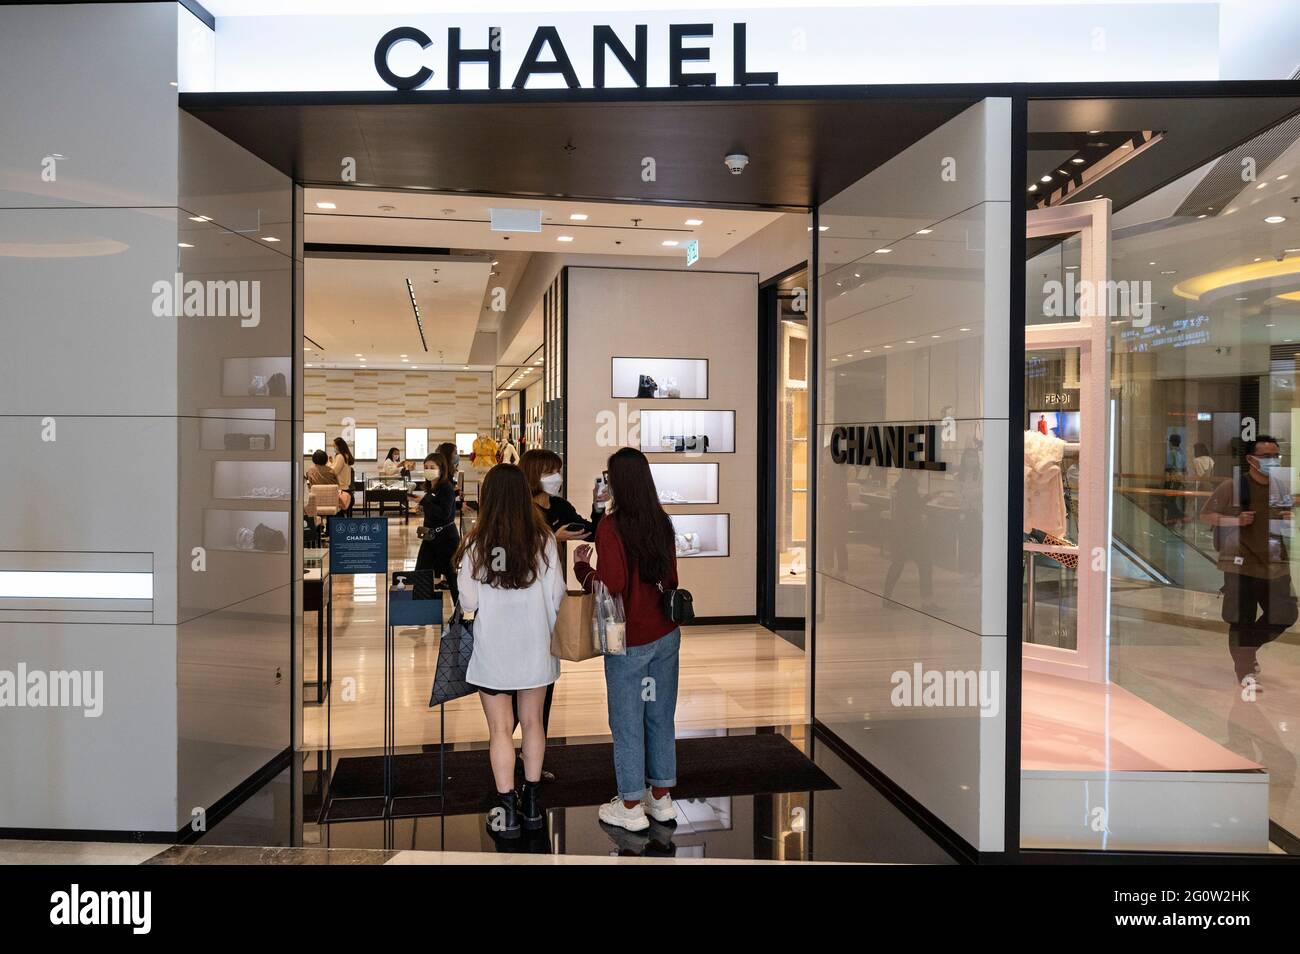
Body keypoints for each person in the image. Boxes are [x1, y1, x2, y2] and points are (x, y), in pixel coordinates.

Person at [574, 447, 681, 832]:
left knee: (627, 721)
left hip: (629, 640)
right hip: (665, 635)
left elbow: (613, 584)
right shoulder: (661, 522)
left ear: (617, 482)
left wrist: (583, 568)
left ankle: (631, 803)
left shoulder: (611, 527)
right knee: (659, 715)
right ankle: (662, 798)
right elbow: (672, 581)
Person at [456, 463, 565, 836]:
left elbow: (468, 601)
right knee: (533, 722)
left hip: (494, 648)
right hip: (536, 644)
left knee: (500, 729)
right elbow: (557, 595)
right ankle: (533, 806)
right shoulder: (544, 538)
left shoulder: (476, 542)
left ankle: (506, 812)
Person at [1200, 435, 1298, 689]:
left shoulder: (1279, 487)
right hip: (1240, 564)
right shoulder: (1232, 487)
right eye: (1266, 456)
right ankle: (1245, 673)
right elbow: (1206, 515)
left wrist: (1288, 519)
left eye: (1275, 456)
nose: (1272, 461)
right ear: (1251, 459)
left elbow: (1284, 525)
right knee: (1241, 617)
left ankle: (1246, 649)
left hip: (1274, 564)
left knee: (1286, 613)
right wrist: (1236, 521)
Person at [415, 451, 460, 604]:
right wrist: (423, 505)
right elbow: (433, 510)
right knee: (421, 571)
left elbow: (444, 514)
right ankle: (423, 607)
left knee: (451, 576)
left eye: (432, 467)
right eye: (426, 467)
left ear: (441, 468)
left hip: (446, 540)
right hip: (430, 537)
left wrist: (424, 502)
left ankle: (459, 613)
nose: (428, 470)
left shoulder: (446, 488)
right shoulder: (431, 488)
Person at [331, 437, 355, 516]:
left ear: (338, 446)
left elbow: (334, 471)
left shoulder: (340, 456)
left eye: (334, 446)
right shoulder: (346, 456)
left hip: (340, 488)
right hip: (346, 487)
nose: (333, 448)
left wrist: (328, 464)